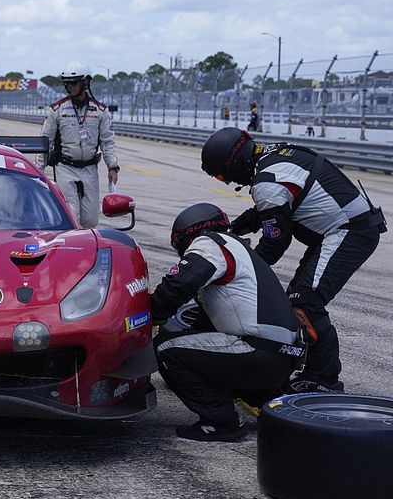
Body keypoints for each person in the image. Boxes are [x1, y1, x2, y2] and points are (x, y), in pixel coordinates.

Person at [201, 127, 385, 392]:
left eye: (222, 175)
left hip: (349, 232)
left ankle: (324, 380)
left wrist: (241, 269)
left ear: (235, 163)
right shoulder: (274, 155)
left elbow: (275, 243)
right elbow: (271, 209)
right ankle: (309, 367)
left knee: (305, 304)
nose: (227, 182)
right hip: (341, 229)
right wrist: (234, 229)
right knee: (297, 299)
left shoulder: (266, 181)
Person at [152, 203, 303, 442]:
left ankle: (220, 422)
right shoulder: (241, 250)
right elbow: (205, 326)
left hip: (258, 353)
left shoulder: (210, 244)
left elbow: (177, 285)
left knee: (165, 348)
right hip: (283, 357)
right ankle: (267, 402)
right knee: (201, 347)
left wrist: (147, 313)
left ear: (186, 235)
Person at [41, 60, 119, 228]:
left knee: (90, 220)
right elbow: (45, 142)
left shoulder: (100, 111)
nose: (69, 87)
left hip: (90, 169)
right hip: (65, 168)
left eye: (73, 83)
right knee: (72, 215)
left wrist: (112, 166)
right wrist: (38, 171)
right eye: (66, 83)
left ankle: (86, 241)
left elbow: (107, 141)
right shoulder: (56, 110)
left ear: (85, 82)